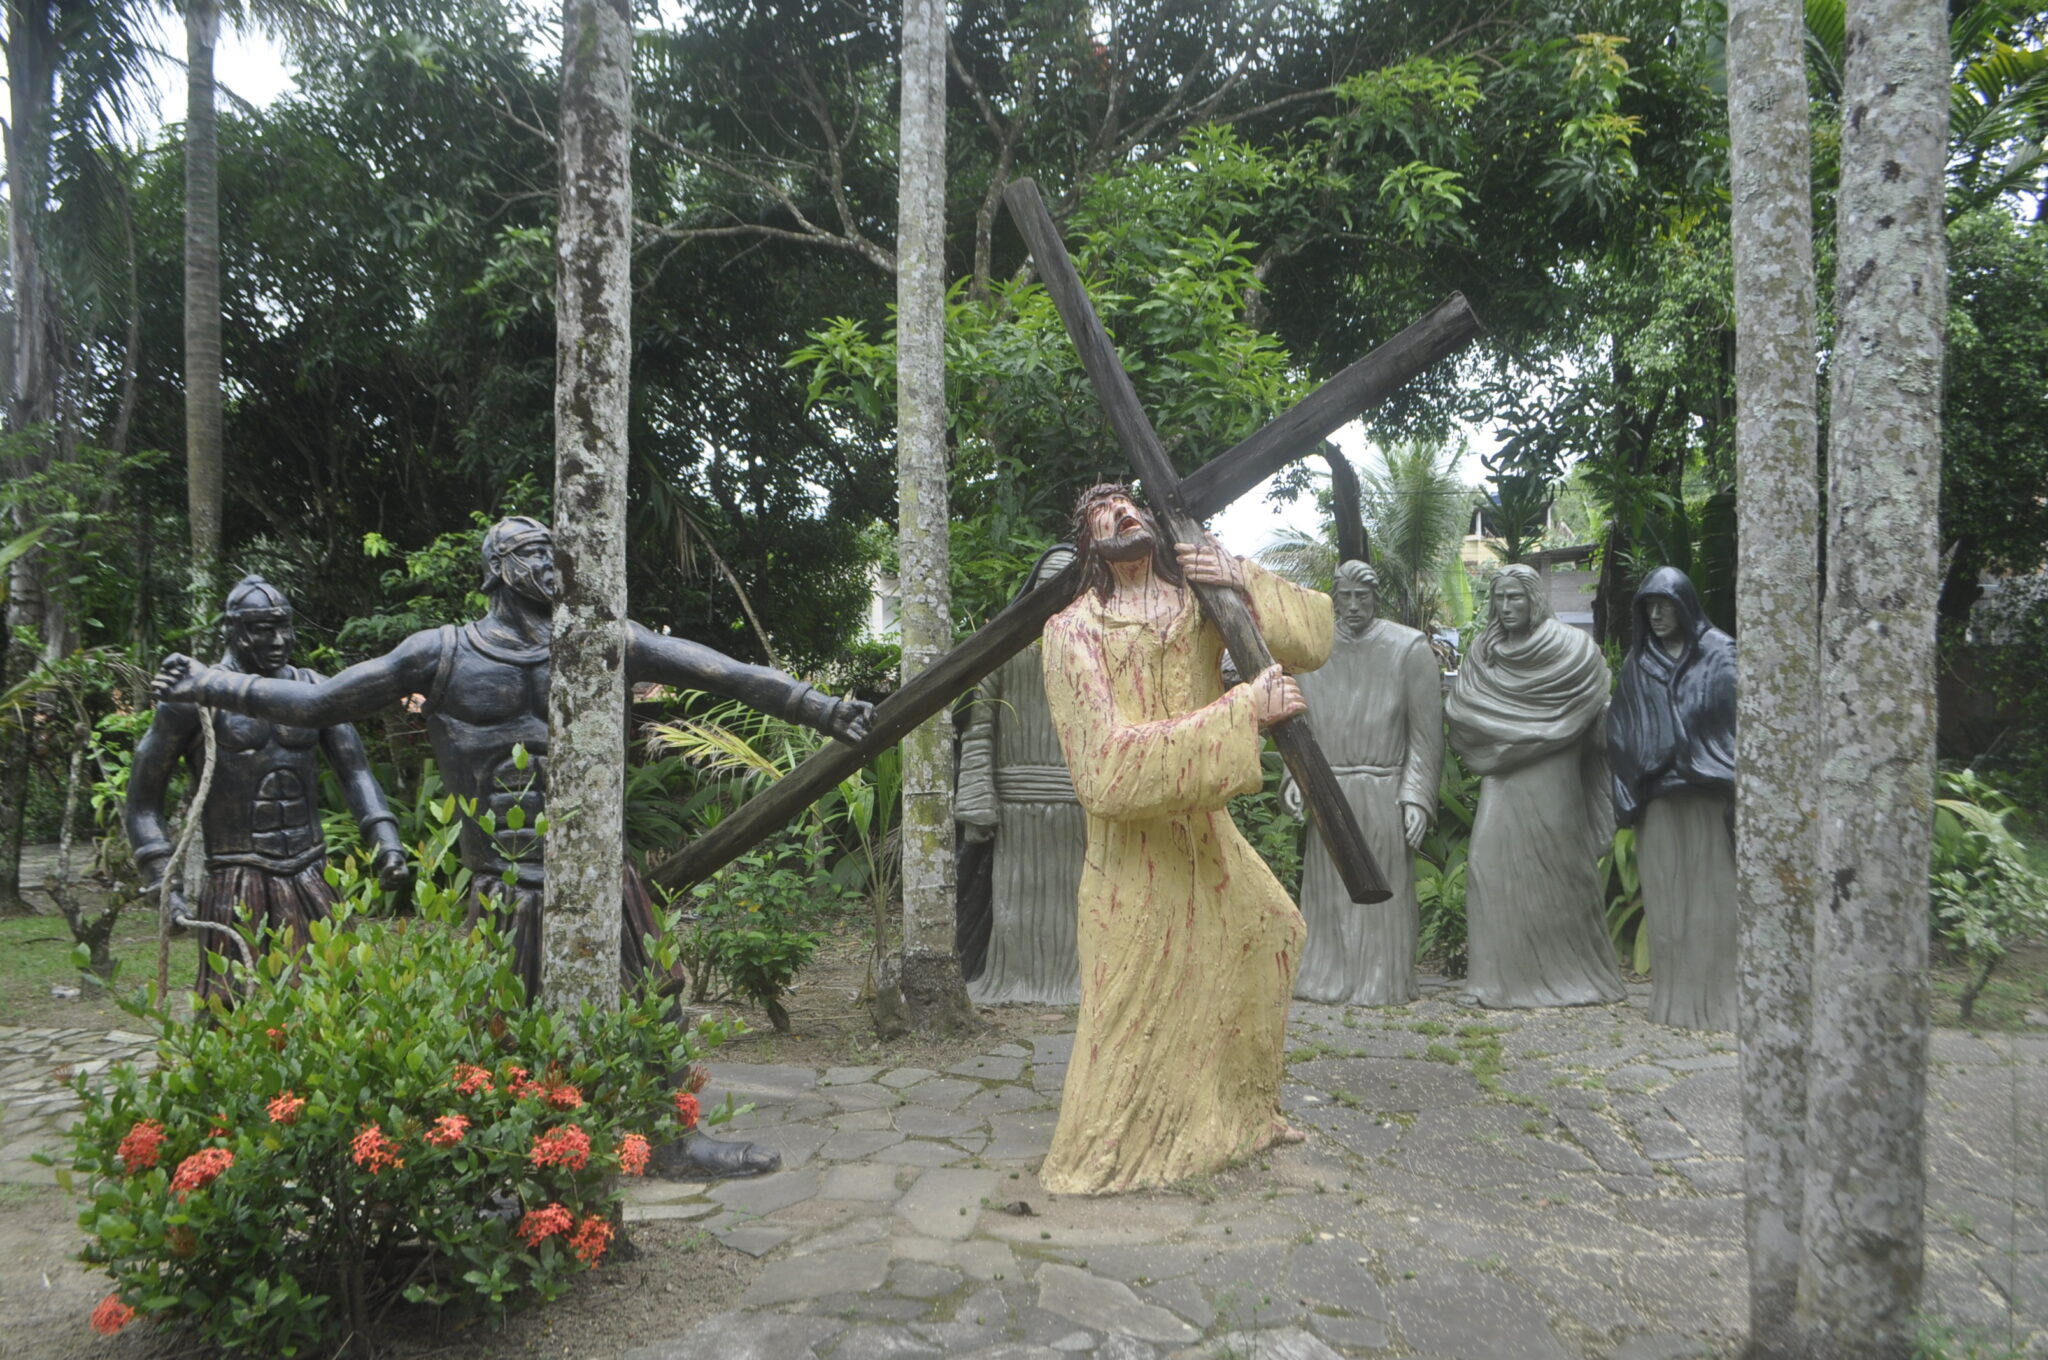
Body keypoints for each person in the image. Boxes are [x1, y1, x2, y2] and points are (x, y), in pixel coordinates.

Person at [152, 517, 872, 1174]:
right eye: (534, 553)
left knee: (656, 996)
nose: (551, 565)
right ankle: (503, 1157)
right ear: (496, 567)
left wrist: (821, 707)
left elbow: (725, 670)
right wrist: (213, 683)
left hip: (594, 866)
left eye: (555, 553)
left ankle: (671, 1140)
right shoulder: (438, 653)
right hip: (499, 872)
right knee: (494, 1020)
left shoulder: (600, 642)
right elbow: (318, 702)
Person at [1037, 483, 1331, 1195]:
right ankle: (1112, 1155)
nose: (1125, 514)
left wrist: (1242, 577)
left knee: (1270, 932)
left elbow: (1315, 637)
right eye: (1104, 513)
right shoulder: (1073, 633)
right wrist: (1240, 714)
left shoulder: (1198, 602)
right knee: (1133, 1002)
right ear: (1088, 545)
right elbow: (1104, 774)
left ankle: (1240, 1114)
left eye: (1131, 505)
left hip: (1205, 837)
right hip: (1131, 857)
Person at [125, 576, 411, 1004]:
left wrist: (386, 842)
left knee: (340, 994)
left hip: (310, 868)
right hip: (236, 875)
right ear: (232, 629)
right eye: (262, 628)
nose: (279, 640)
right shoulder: (192, 697)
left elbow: (356, 773)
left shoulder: (315, 689)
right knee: (231, 1002)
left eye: (285, 626)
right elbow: (142, 802)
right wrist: (162, 886)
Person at [1444, 563, 1622, 1009]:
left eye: (1515, 598)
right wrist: (1515, 733)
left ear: (1535, 600)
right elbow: (1463, 711)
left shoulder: (1573, 650)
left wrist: (1550, 732)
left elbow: (1592, 704)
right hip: (1501, 776)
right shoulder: (1483, 654)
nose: (1506, 607)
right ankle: (1491, 982)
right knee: (1487, 866)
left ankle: (1580, 976)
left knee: (1560, 871)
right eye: (1499, 598)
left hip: (1555, 776)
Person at [1288, 560, 1443, 1006]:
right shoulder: (1313, 650)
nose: (1353, 606)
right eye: (1345, 597)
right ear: (1333, 598)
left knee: (1382, 891)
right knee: (1329, 893)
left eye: (1362, 596)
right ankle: (1326, 977)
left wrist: (1416, 795)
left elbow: (1426, 738)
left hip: (1383, 790)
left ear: (1376, 598)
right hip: (1329, 790)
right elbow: (1298, 722)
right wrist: (1298, 775)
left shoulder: (1408, 648)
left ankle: (1384, 981)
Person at [1606, 566, 1737, 1030]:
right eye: (1649, 607)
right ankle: (1674, 999)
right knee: (1667, 906)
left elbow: (1736, 723)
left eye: (1665, 604)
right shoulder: (1638, 666)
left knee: (1714, 902)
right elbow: (1619, 731)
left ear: (1685, 605)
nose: (1658, 614)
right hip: (1658, 804)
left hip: (1706, 802)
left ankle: (1721, 1000)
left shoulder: (1722, 655)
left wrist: (1699, 754)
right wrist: (1644, 765)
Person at [955, 545, 1085, 1005]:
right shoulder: (1004, 652)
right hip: (1016, 812)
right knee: (1017, 907)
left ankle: (1076, 982)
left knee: (1078, 904)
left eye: (1067, 582)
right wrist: (977, 797)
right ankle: (1015, 980)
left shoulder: (1101, 650)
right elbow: (979, 728)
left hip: (1079, 808)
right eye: (1048, 584)